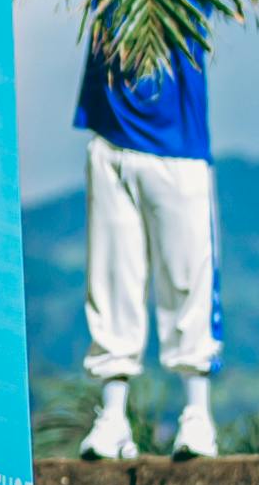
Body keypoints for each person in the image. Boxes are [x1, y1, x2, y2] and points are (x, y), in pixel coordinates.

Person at [74, 35, 217, 461]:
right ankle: (113, 415)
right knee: (111, 276)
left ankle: (198, 413)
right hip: (111, 132)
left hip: (178, 142)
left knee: (188, 276)